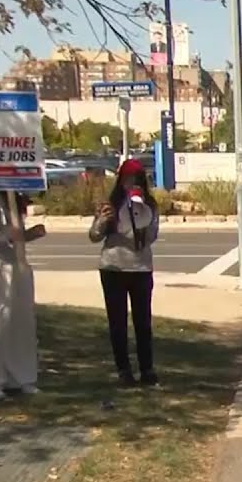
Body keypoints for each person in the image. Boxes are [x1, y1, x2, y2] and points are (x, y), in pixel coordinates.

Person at [89, 159, 160, 387]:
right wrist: (103, 220)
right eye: (128, 179)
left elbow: (148, 239)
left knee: (143, 322)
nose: (132, 183)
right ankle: (123, 370)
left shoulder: (150, 205)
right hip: (113, 268)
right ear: (121, 180)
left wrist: (136, 217)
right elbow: (93, 236)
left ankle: (147, 369)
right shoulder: (111, 203)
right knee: (117, 322)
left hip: (140, 269)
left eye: (137, 179)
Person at [0, 191, 43, 400]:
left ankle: (20, 375)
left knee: (20, 323)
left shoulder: (10, 196)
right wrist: (7, 233)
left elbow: (15, 237)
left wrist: (28, 234)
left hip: (15, 264)